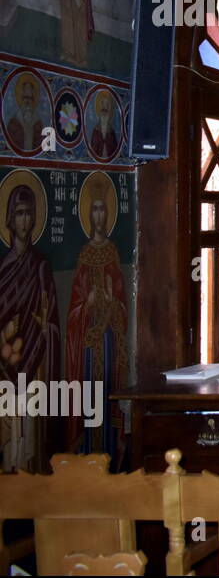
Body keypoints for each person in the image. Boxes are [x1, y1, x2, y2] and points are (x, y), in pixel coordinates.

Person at [0, 182, 61, 472]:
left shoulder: (41, 266)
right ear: (10, 219)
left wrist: (43, 333)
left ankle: (33, 498)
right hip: (5, 364)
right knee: (10, 439)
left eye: (29, 214)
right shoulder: (3, 269)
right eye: (19, 213)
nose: (24, 220)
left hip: (34, 363)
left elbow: (50, 320)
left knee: (31, 441)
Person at [65, 176, 128, 455]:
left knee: (108, 394)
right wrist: (87, 304)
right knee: (90, 396)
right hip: (89, 346)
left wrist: (114, 304)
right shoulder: (83, 255)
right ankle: (88, 454)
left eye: (103, 209)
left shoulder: (113, 254)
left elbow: (123, 304)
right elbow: (73, 310)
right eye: (95, 209)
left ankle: (111, 456)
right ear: (89, 214)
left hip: (110, 343)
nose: (100, 215)